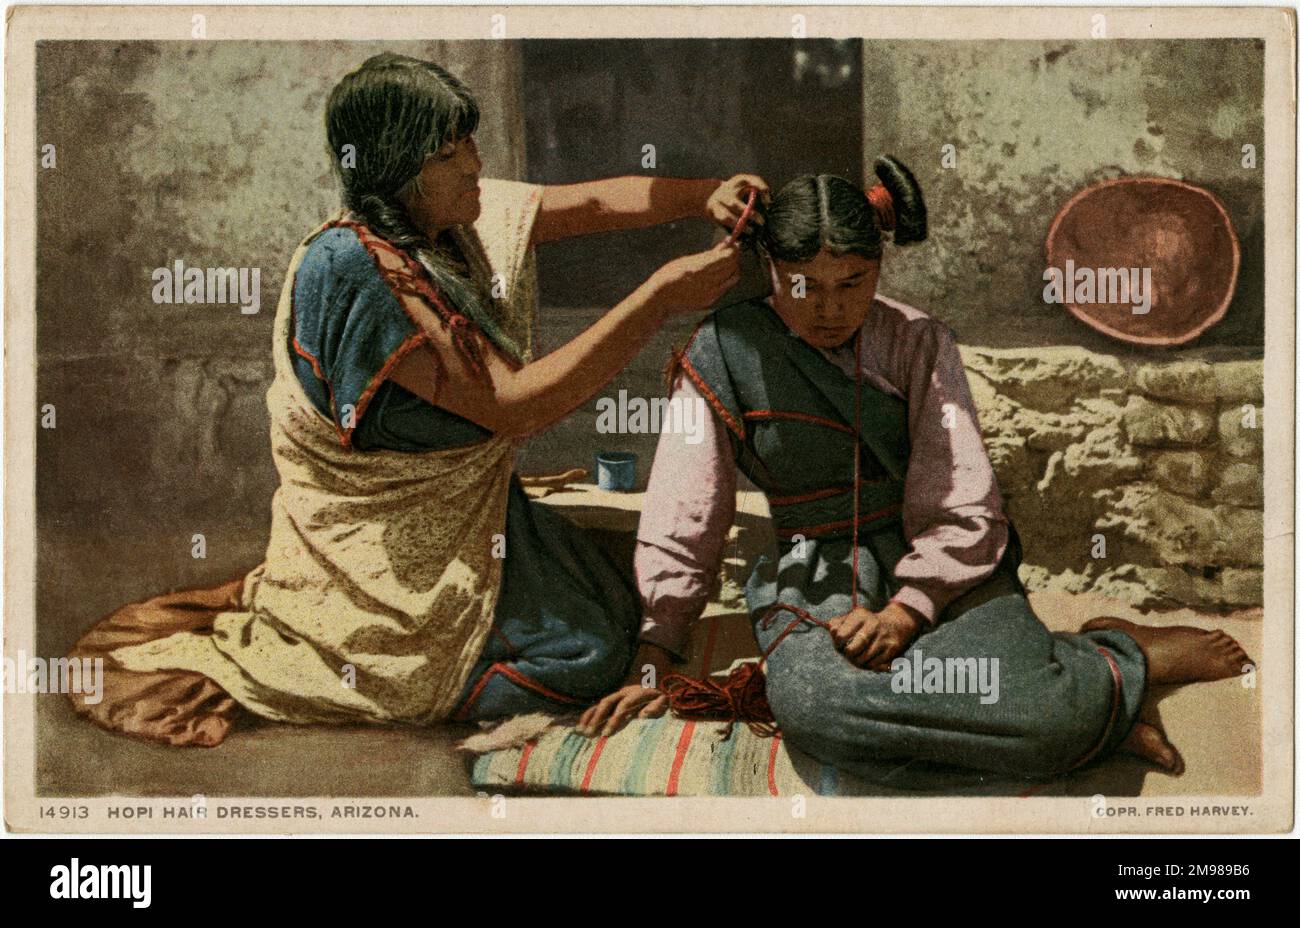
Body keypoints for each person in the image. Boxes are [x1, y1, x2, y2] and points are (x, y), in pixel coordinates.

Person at [71, 52, 769, 745]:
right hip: (390, 549)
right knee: (588, 657)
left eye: (468, 142)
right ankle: (412, 674)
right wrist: (659, 299)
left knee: (618, 603)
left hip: (464, 509)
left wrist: (703, 193)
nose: (471, 165)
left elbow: (588, 204)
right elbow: (515, 407)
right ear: (395, 169)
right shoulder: (357, 271)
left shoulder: (444, 224)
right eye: (445, 153)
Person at [578, 159, 1251, 789]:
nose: (830, 309)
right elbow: (684, 509)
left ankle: (1114, 657)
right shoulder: (722, 351)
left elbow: (962, 498)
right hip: (818, 575)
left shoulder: (916, 340)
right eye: (805, 285)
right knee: (817, 707)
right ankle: (1078, 693)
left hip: (942, 567)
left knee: (1045, 717)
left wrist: (907, 612)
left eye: (854, 284)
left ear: (877, 269)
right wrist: (658, 646)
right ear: (768, 265)